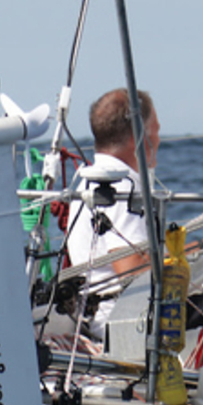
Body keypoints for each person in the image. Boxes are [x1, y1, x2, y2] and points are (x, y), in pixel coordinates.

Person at [64, 88, 161, 335]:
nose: (159, 139)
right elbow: (134, 274)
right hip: (126, 325)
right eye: (156, 131)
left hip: (96, 319)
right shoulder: (120, 187)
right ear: (138, 138)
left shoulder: (86, 182)